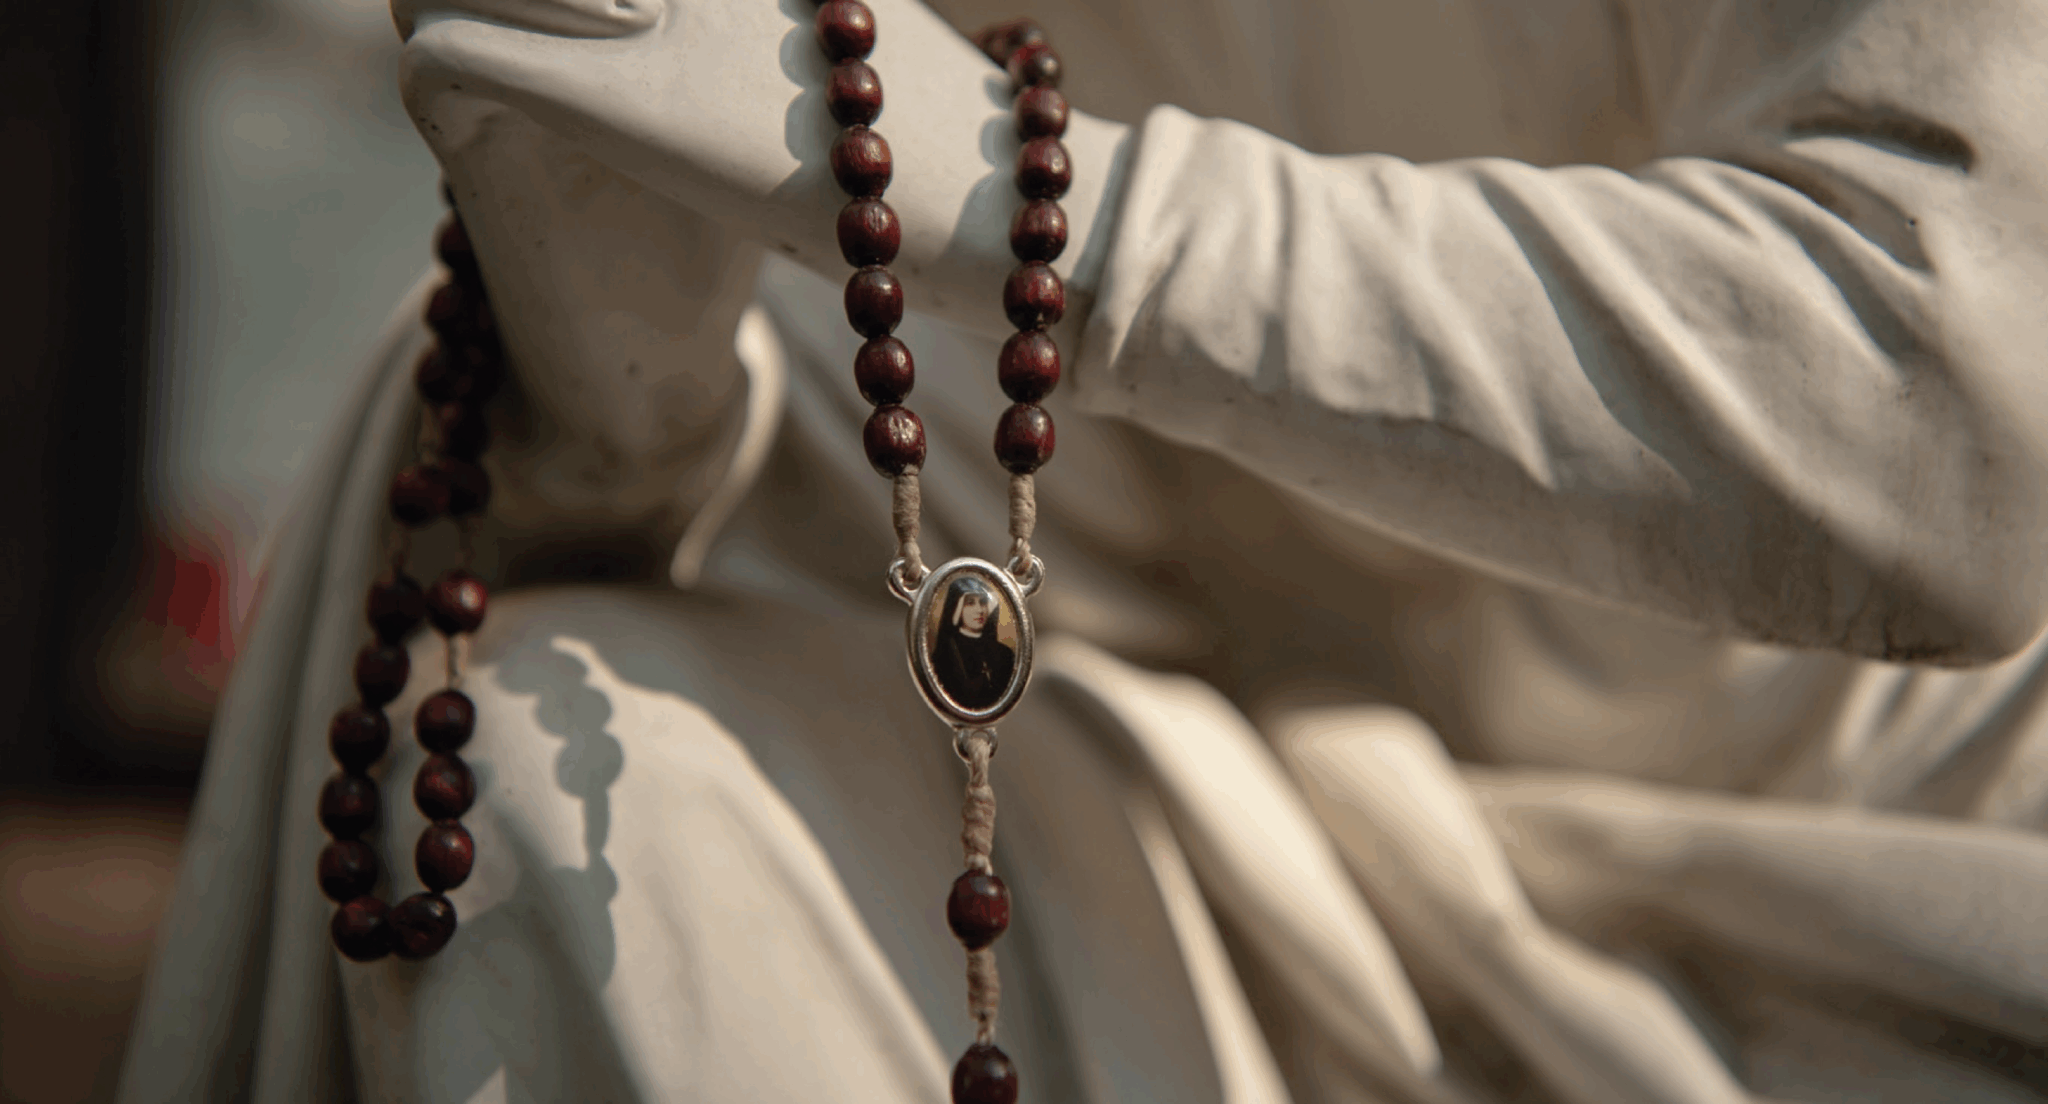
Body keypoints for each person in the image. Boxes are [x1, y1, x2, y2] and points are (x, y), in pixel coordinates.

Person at [119, 1, 2048, 1102]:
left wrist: (1015, 193)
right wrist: (619, 351)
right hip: (1170, 817)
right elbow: (800, 429)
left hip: (1839, 879)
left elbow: (1946, 411)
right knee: (534, 770)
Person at [932, 575, 1015, 711]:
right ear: (957, 609)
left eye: (983, 602)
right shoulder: (944, 656)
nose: (980, 610)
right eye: (970, 603)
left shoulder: (1005, 654)